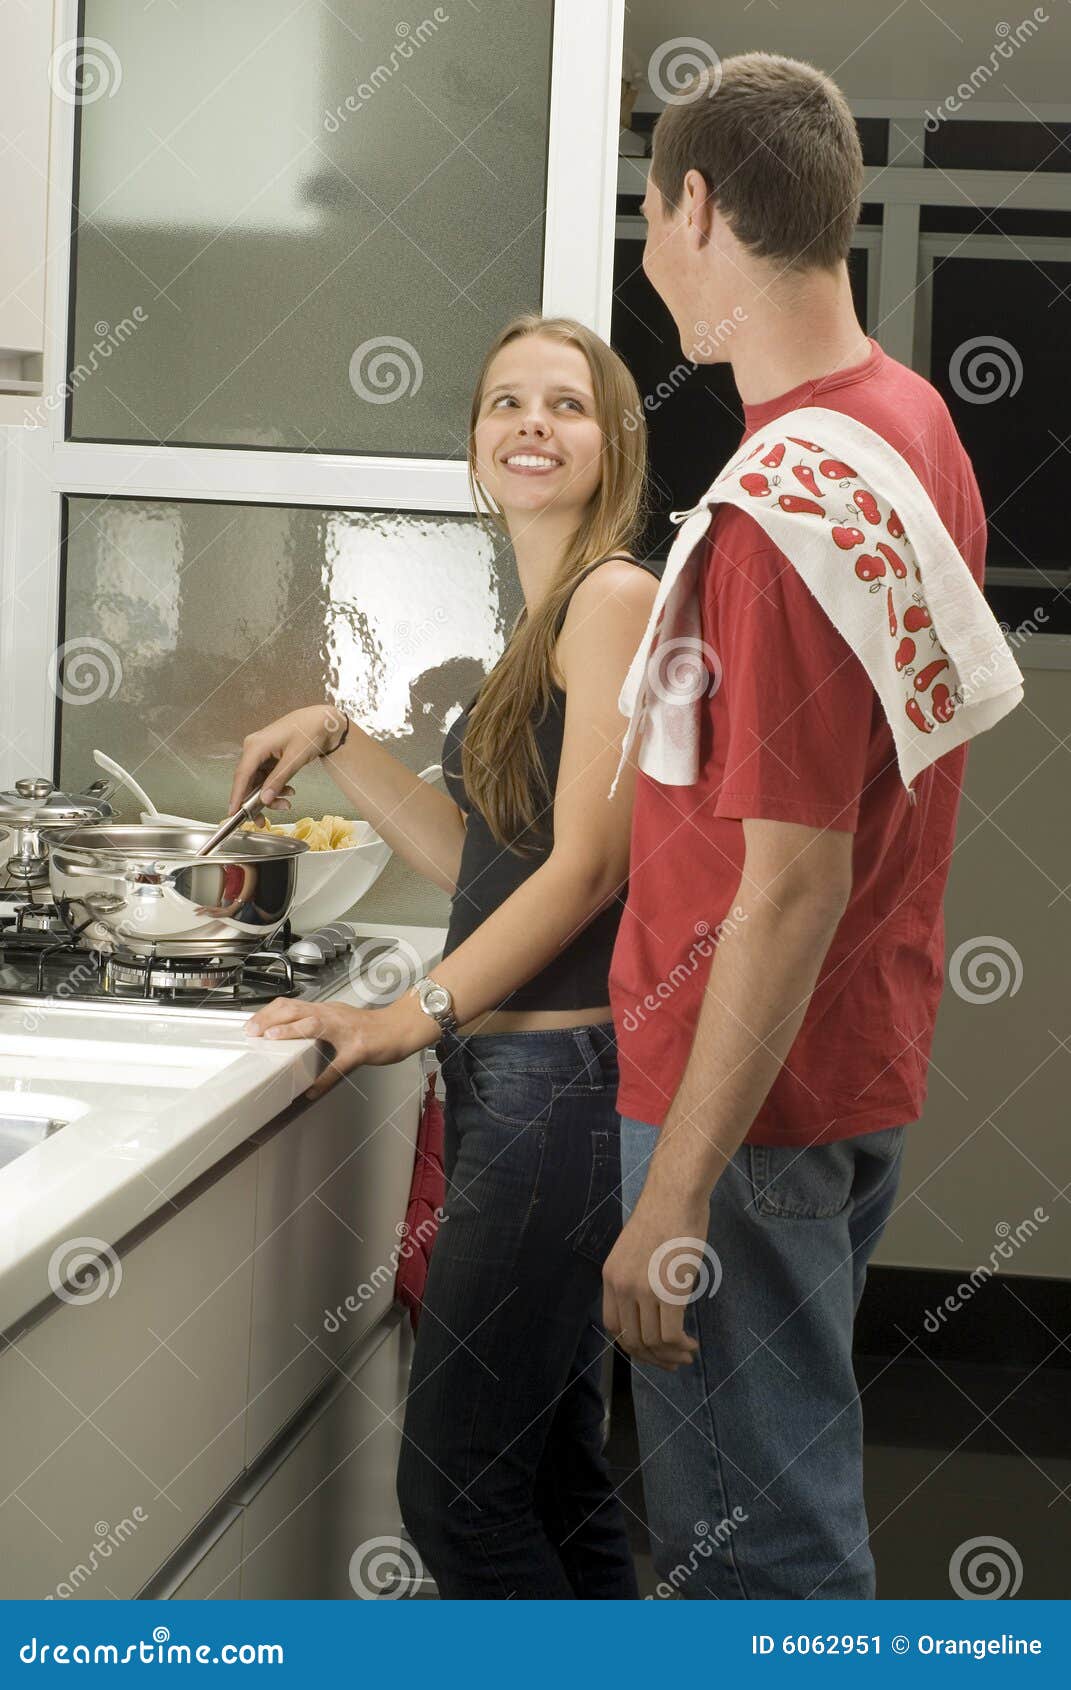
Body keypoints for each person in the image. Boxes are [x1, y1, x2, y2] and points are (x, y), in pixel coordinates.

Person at [601, 53, 998, 1599]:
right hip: (843, 1065)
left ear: (697, 204)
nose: (645, 258)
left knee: (756, 1561)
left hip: (743, 1107)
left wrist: (674, 1192)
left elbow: (786, 884)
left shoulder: (778, 515)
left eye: (650, 217)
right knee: (771, 1518)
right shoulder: (907, 423)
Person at [228, 314, 658, 1598]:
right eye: (505, 403)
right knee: (550, 1474)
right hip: (519, 1087)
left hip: (555, 1091)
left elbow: (589, 868)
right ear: (474, 446)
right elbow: (479, 860)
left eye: (566, 405)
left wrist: (405, 1016)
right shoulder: (546, 621)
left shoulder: (614, 598)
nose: (532, 423)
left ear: (616, 439)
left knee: (455, 1491)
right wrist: (337, 731)